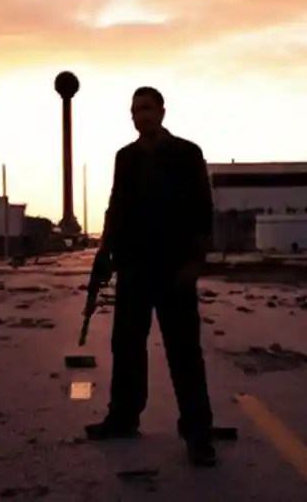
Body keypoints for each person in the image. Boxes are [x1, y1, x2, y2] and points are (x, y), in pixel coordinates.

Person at [85, 85, 217, 467]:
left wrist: (196, 262)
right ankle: (123, 419)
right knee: (125, 347)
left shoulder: (186, 153)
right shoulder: (125, 157)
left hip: (175, 269)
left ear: (161, 110)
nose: (139, 115)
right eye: (134, 110)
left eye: (146, 108)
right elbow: (116, 205)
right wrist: (105, 252)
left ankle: (197, 434)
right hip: (134, 268)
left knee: (184, 354)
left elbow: (202, 209)